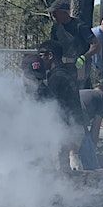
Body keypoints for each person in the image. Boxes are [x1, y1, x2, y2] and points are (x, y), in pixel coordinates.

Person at [35, 40, 87, 170]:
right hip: (74, 128)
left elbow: (52, 107)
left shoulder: (57, 77)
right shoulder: (64, 72)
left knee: (61, 170)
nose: (40, 59)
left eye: (41, 55)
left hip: (67, 130)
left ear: (50, 56)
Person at [49, 0, 99, 85]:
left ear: (64, 13)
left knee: (77, 87)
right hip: (61, 63)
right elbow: (53, 45)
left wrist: (83, 58)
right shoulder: (55, 27)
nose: (53, 16)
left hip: (79, 64)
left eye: (55, 13)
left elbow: (96, 45)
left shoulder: (80, 26)